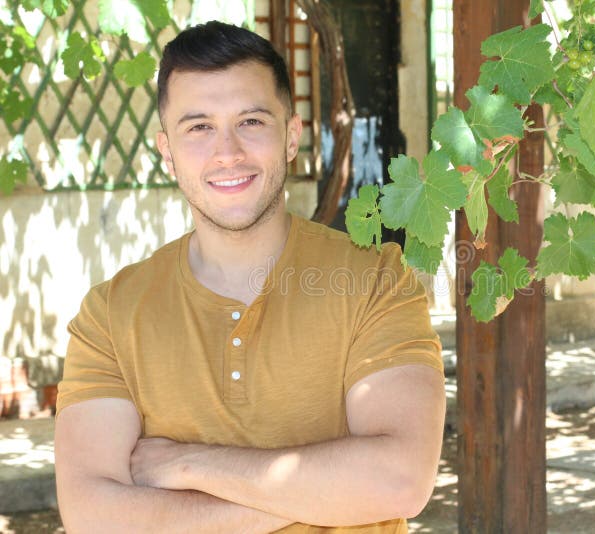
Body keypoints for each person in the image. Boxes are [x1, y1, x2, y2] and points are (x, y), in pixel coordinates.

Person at [54, 20, 445, 533]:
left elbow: (398, 483)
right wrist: (321, 496)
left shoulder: (374, 281)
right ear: (166, 152)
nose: (228, 152)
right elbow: (93, 515)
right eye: (198, 127)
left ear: (291, 136)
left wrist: (186, 463)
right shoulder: (111, 314)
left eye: (252, 121)